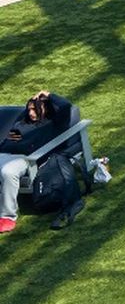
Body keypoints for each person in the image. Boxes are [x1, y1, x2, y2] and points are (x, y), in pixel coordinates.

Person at [0, 90, 73, 233]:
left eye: (35, 109)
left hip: (24, 158)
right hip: (4, 153)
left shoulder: (53, 122)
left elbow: (66, 106)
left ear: (46, 108)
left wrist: (49, 95)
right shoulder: (23, 121)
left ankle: (7, 217)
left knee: (7, 172)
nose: (31, 113)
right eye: (29, 109)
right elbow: (11, 139)